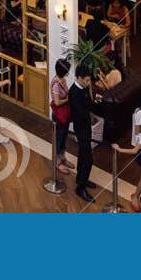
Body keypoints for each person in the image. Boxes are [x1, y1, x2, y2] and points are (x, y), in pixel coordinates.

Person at [68, 64, 97, 201]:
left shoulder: (85, 88)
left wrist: (90, 90)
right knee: (88, 159)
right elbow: (81, 112)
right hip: (80, 128)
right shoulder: (74, 91)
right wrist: (89, 115)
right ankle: (81, 188)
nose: (88, 82)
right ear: (79, 78)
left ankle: (81, 179)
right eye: (86, 80)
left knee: (82, 154)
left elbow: (90, 105)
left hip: (86, 127)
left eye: (89, 80)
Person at [49, 59, 73, 175]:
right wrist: (69, 99)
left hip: (65, 113)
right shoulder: (56, 84)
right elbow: (57, 102)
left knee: (64, 136)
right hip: (59, 115)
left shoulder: (62, 80)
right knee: (59, 137)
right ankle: (57, 161)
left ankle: (63, 157)